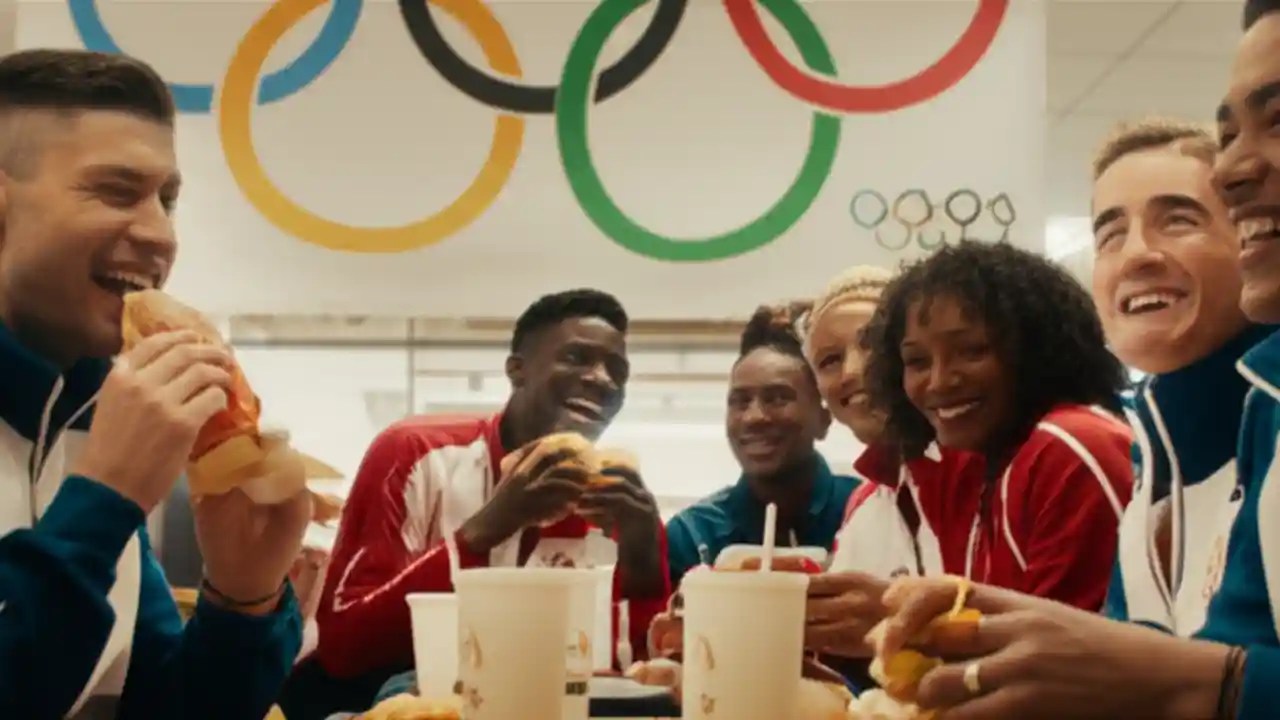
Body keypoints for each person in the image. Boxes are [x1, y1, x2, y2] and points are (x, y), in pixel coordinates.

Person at [0, 49, 308, 719]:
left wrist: (244, 595)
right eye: (115, 191)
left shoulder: (95, 417)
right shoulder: (112, 462)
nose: (160, 234)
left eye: (167, 200)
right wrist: (104, 500)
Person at [313, 289, 670, 683]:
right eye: (576, 357)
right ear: (516, 369)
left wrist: (645, 562)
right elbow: (343, 645)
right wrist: (485, 530)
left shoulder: (622, 504)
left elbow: (637, 679)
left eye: (618, 372)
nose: (602, 379)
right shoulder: (415, 452)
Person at [859, 240, 1134, 611]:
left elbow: (1059, 655)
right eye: (917, 361)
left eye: (972, 350)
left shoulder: (1070, 444)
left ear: (1036, 348)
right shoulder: (985, 465)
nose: (939, 381)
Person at [1090, 118, 1275, 636]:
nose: (1136, 254)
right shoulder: (1151, 459)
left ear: (1252, 239)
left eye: (1177, 220)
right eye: (1110, 234)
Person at [665, 303, 859, 586]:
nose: (754, 417)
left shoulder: (865, 513)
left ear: (823, 418)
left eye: (778, 398)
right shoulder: (692, 536)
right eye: (740, 401)